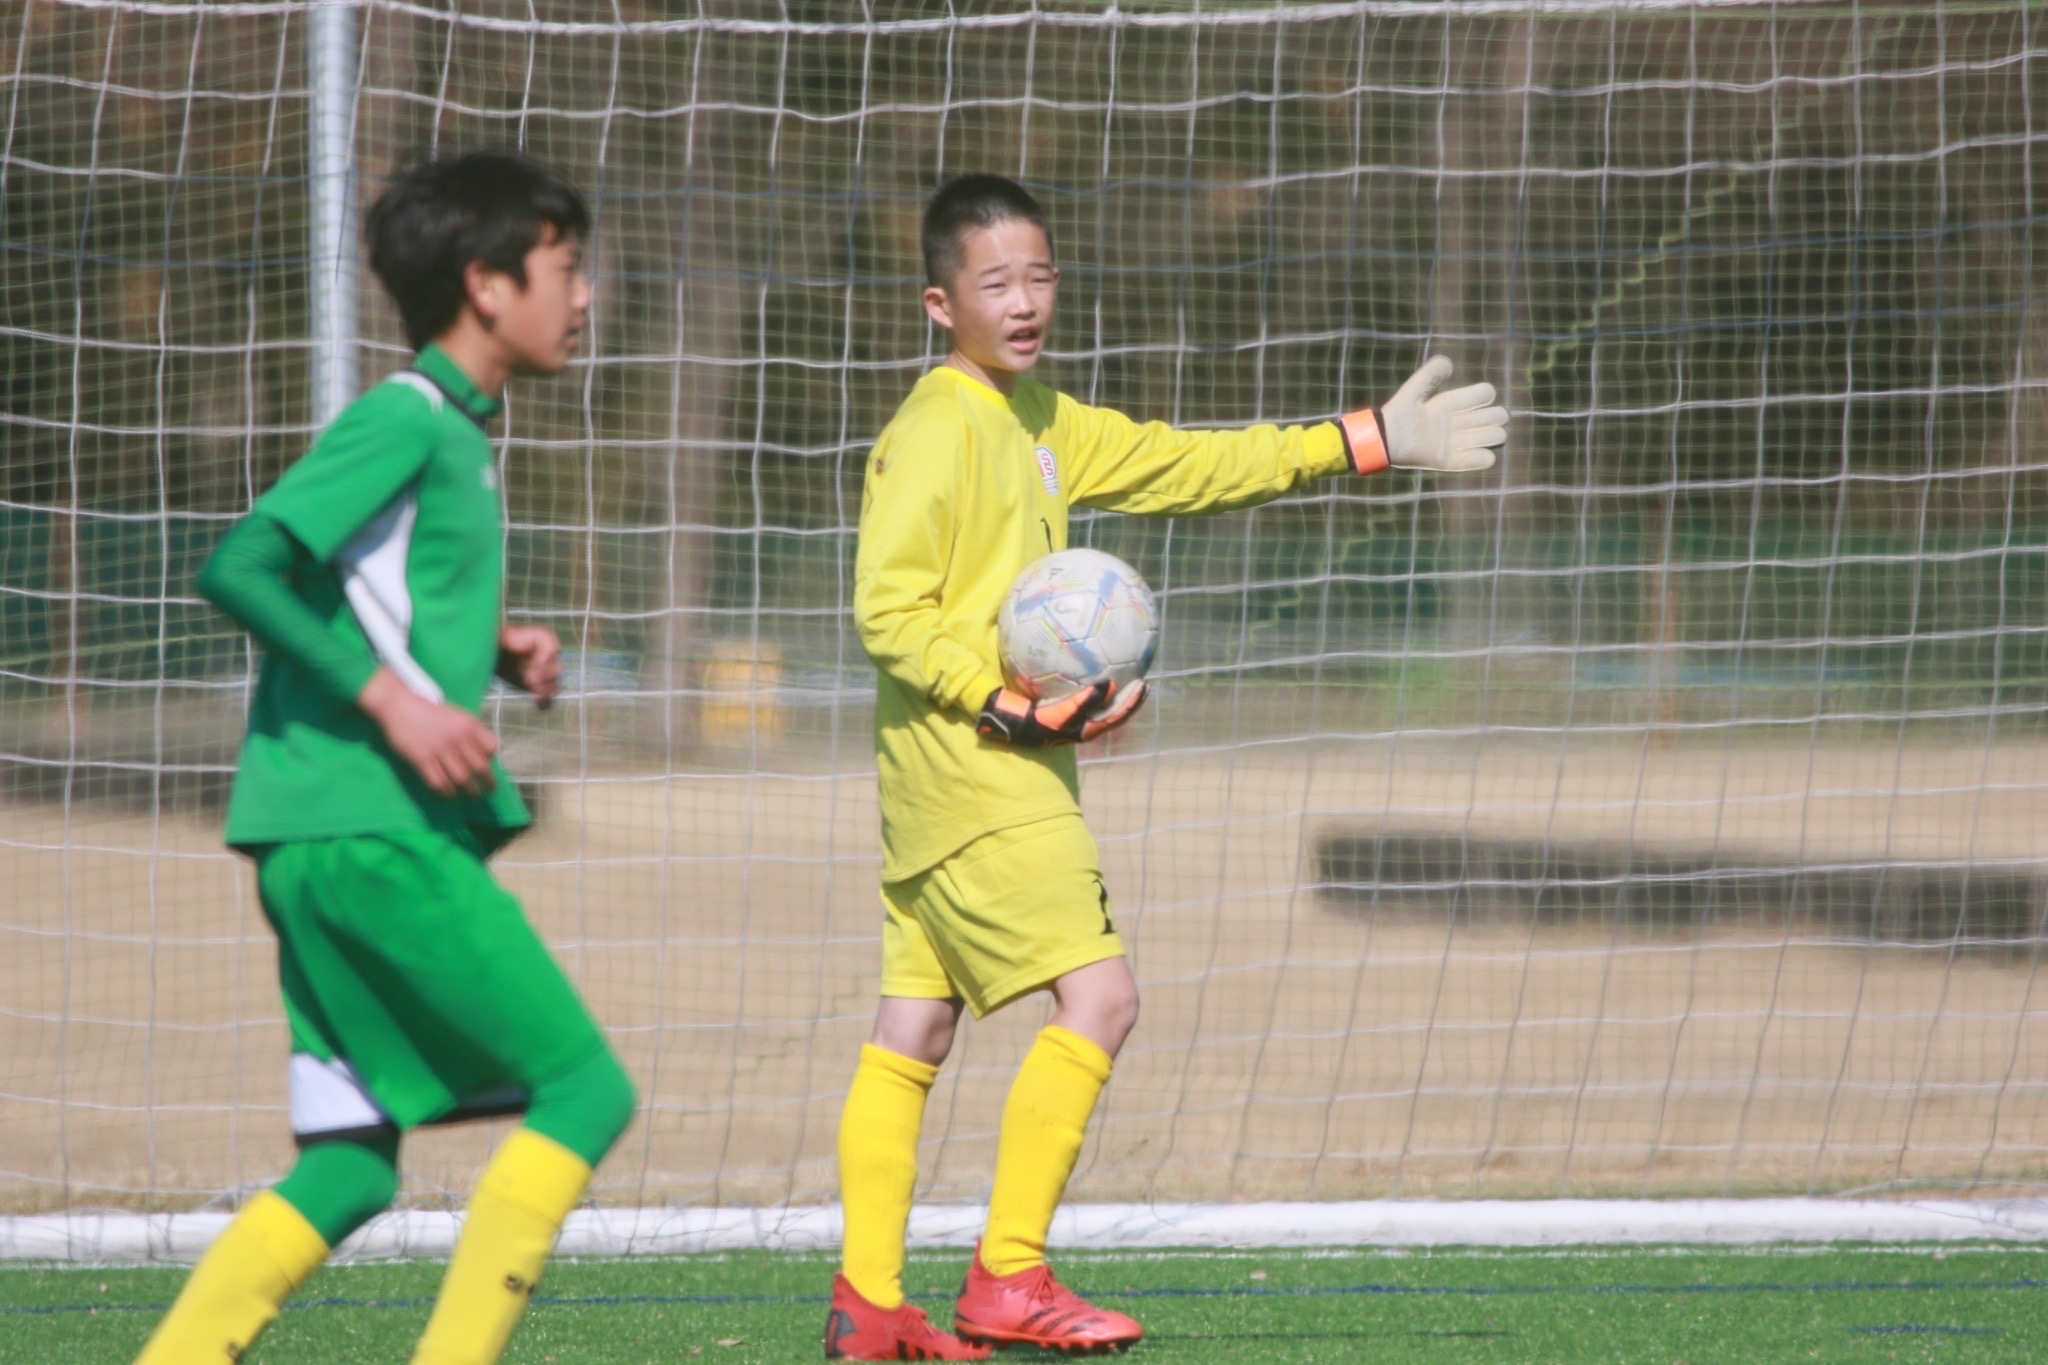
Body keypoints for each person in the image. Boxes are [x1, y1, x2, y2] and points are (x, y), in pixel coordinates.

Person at [824, 172, 1507, 1360]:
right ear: (940, 303)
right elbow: (885, 611)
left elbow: (1188, 463)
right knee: (1104, 998)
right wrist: (1008, 704)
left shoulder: (1038, 420)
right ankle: (1007, 1276)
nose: (1024, 300)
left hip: (931, 788)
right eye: (995, 282)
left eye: (1039, 274)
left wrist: (1365, 439)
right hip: (985, 773)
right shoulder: (935, 430)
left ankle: (870, 1305)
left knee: (913, 1028)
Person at [137, 151, 635, 1365]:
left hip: (314, 837)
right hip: (369, 829)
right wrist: (400, 707)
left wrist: (492, 649)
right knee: (585, 1092)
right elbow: (243, 563)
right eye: (565, 270)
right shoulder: (403, 417)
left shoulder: (459, 431)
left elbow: (376, 593)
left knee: (352, 1168)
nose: (581, 298)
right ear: (484, 282)